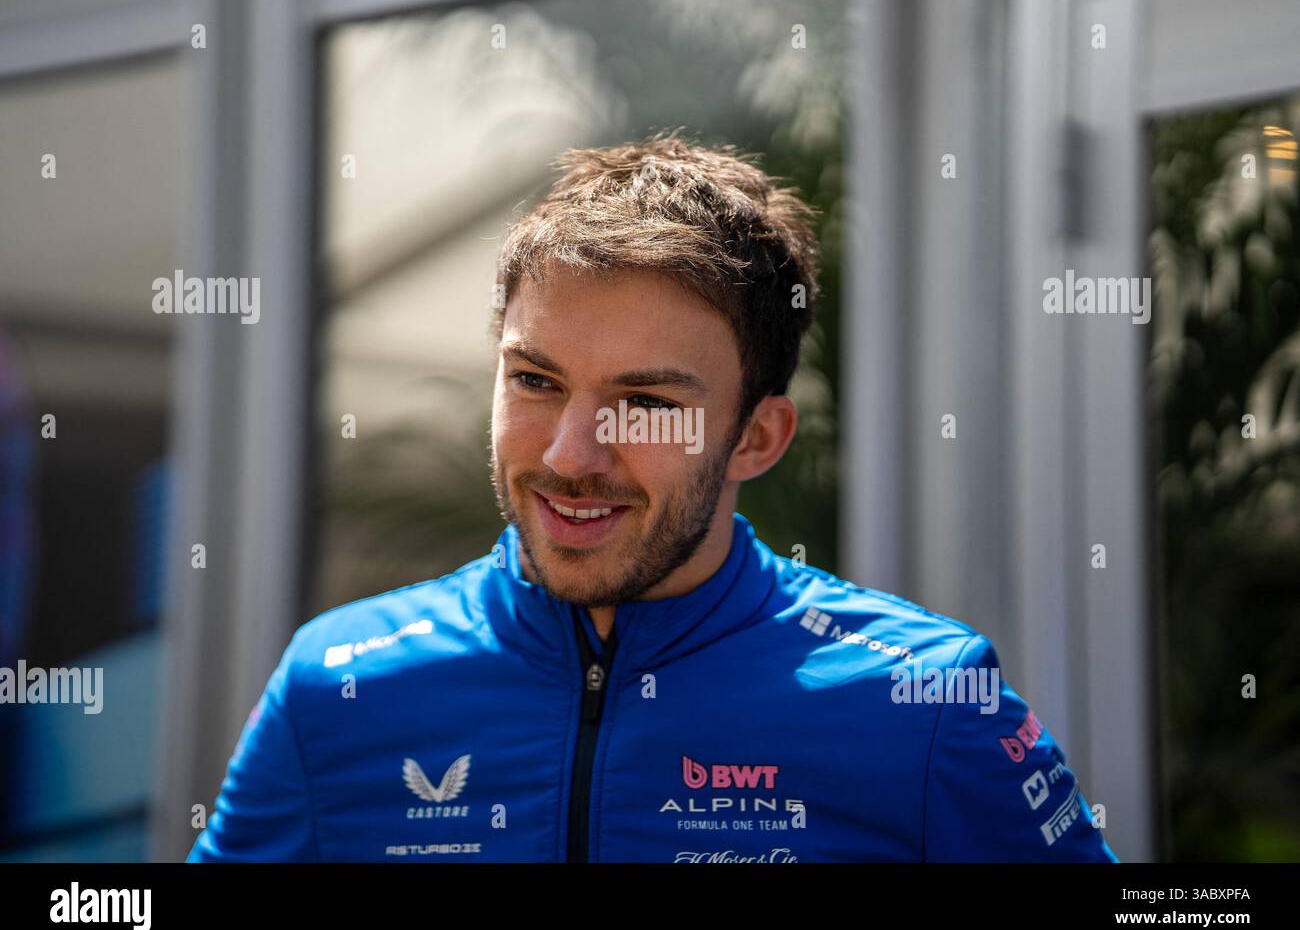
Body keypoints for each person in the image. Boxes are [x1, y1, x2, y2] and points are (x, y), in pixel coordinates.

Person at [188, 129, 1117, 862]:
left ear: (756, 438)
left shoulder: (922, 699)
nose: (568, 454)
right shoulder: (336, 685)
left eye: (644, 404)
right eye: (536, 380)